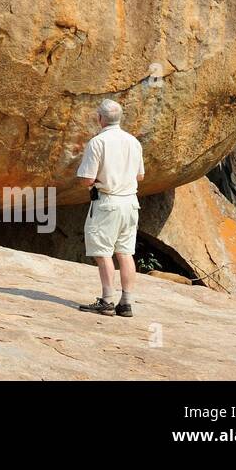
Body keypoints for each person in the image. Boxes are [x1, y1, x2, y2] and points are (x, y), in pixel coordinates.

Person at [76, 99, 145, 318]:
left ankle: (107, 300)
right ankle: (126, 303)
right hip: (131, 202)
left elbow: (86, 179)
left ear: (100, 118)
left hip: (107, 202)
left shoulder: (98, 142)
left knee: (103, 252)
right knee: (125, 252)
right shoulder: (133, 141)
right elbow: (140, 176)